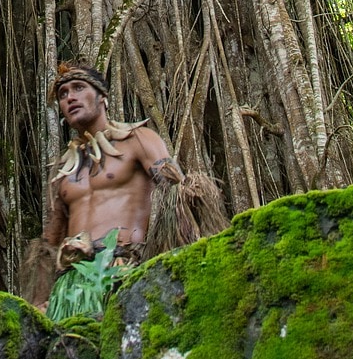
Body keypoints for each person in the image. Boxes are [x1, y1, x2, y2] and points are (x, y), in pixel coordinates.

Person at [33, 63, 220, 321]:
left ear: (103, 98)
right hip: (70, 286)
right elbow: (49, 244)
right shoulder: (63, 172)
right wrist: (42, 299)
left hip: (119, 269)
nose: (70, 97)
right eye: (63, 94)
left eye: (78, 88)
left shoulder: (138, 140)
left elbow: (178, 190)